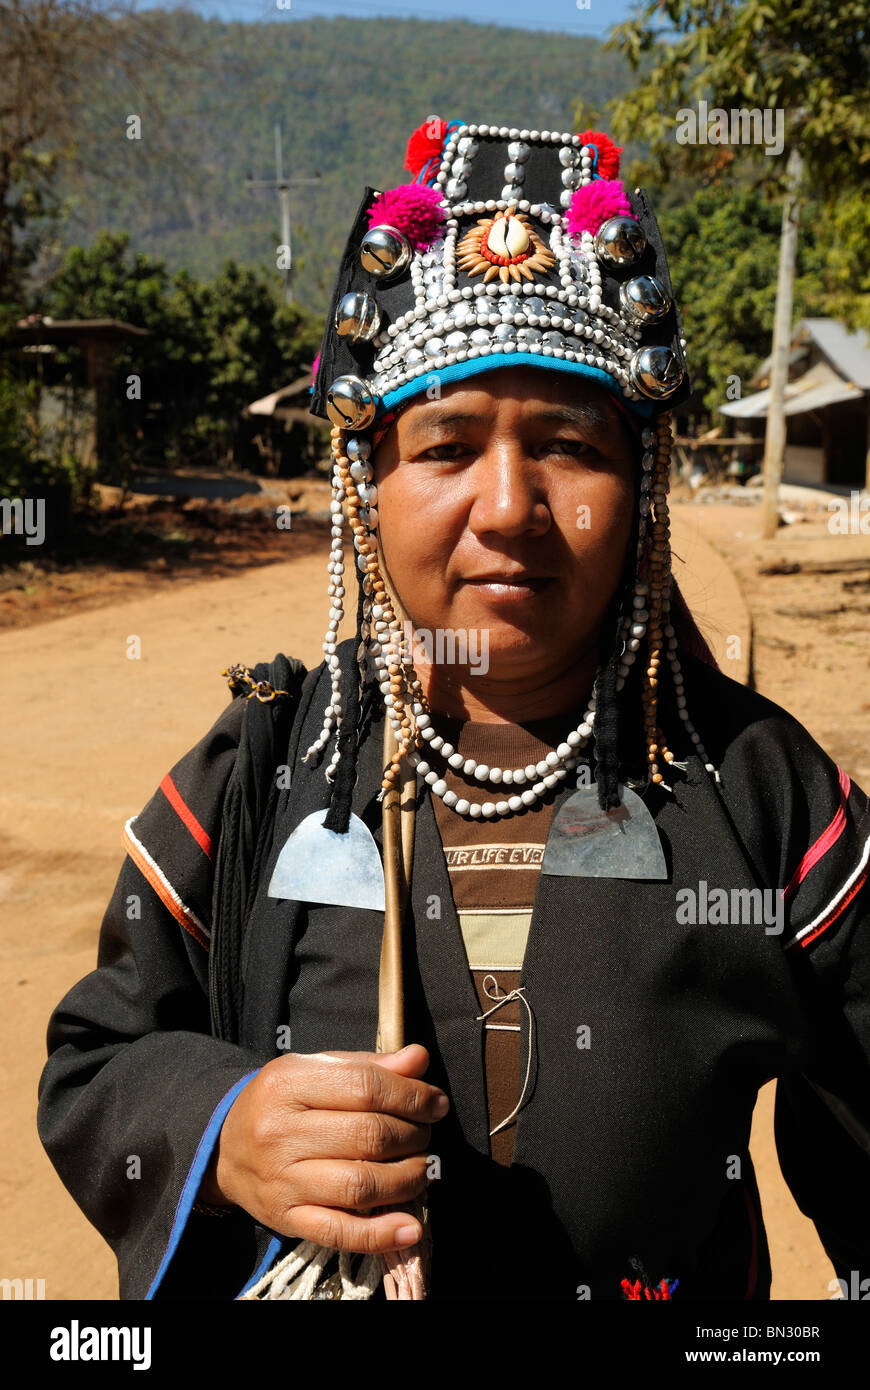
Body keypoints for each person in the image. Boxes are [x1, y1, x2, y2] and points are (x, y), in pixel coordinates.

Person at [37, 117, 870, 1302]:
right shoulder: (269, 762)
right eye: (445, 445)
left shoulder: (761, 791)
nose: (511, 505)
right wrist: (223, 1129)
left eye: (569, 444)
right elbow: (96, 1062)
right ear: (365, 488)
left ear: (640, 488)